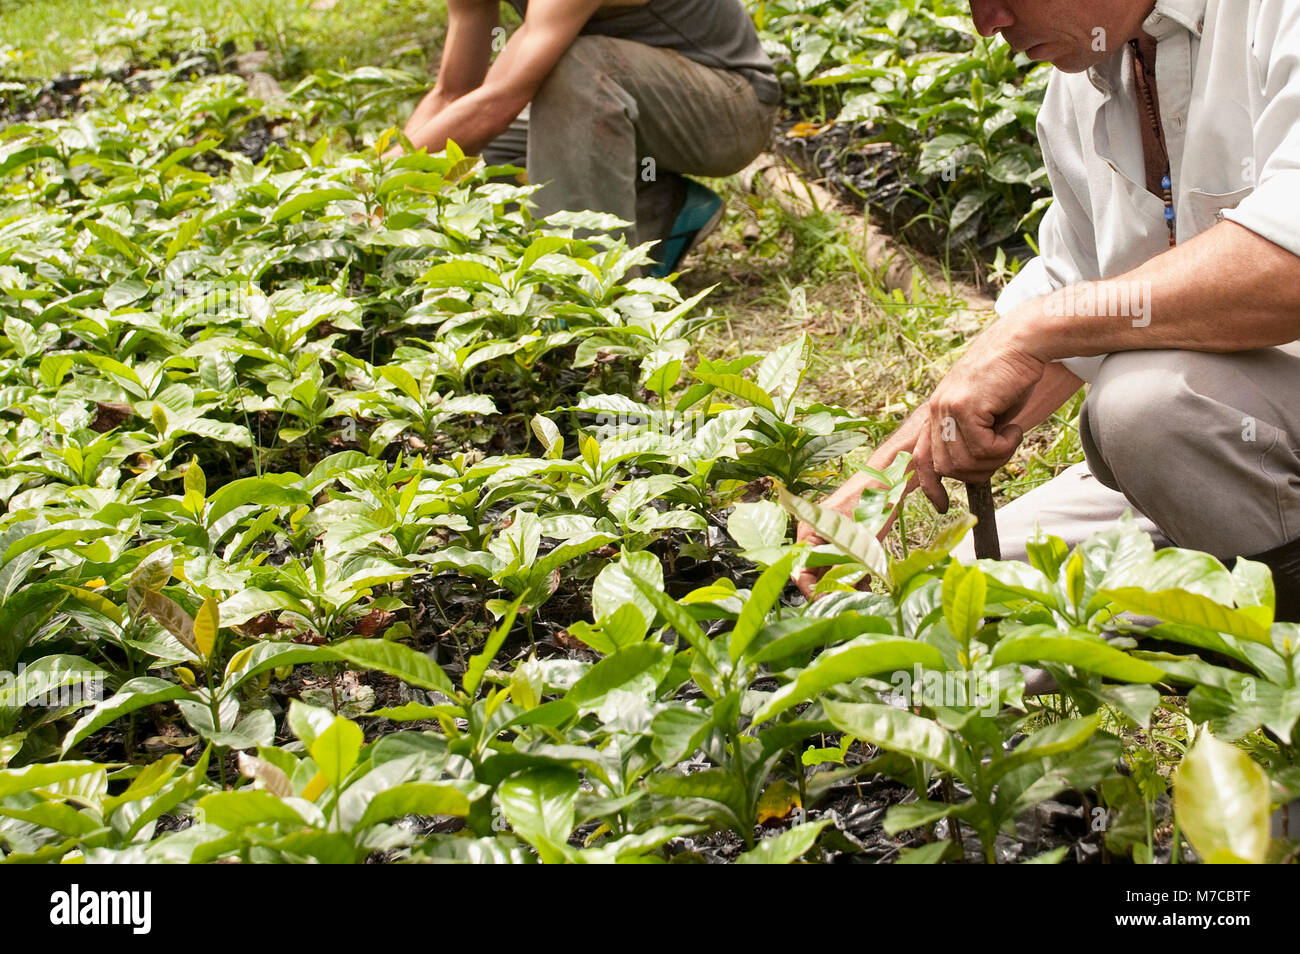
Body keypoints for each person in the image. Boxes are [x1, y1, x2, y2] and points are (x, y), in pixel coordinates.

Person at [795, 0, 1300, 619]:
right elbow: (1081, 283)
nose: (989, 22)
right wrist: (888, 474)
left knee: (1145, 406)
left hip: (1215, 433)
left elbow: (1288, 269)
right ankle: (1222, 576)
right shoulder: (1087, 82)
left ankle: (1277, 660)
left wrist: (1033, 331)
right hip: (1216, 462)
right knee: (952, 613)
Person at [395, 0, 781, 275]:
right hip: (631, 97)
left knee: (574, 68)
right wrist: (365, 182)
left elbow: (500, 101)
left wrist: (389, 181)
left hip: (729, 109)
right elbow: (452, 93)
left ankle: (589, 300)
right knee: (477, 158)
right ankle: (663, 209)